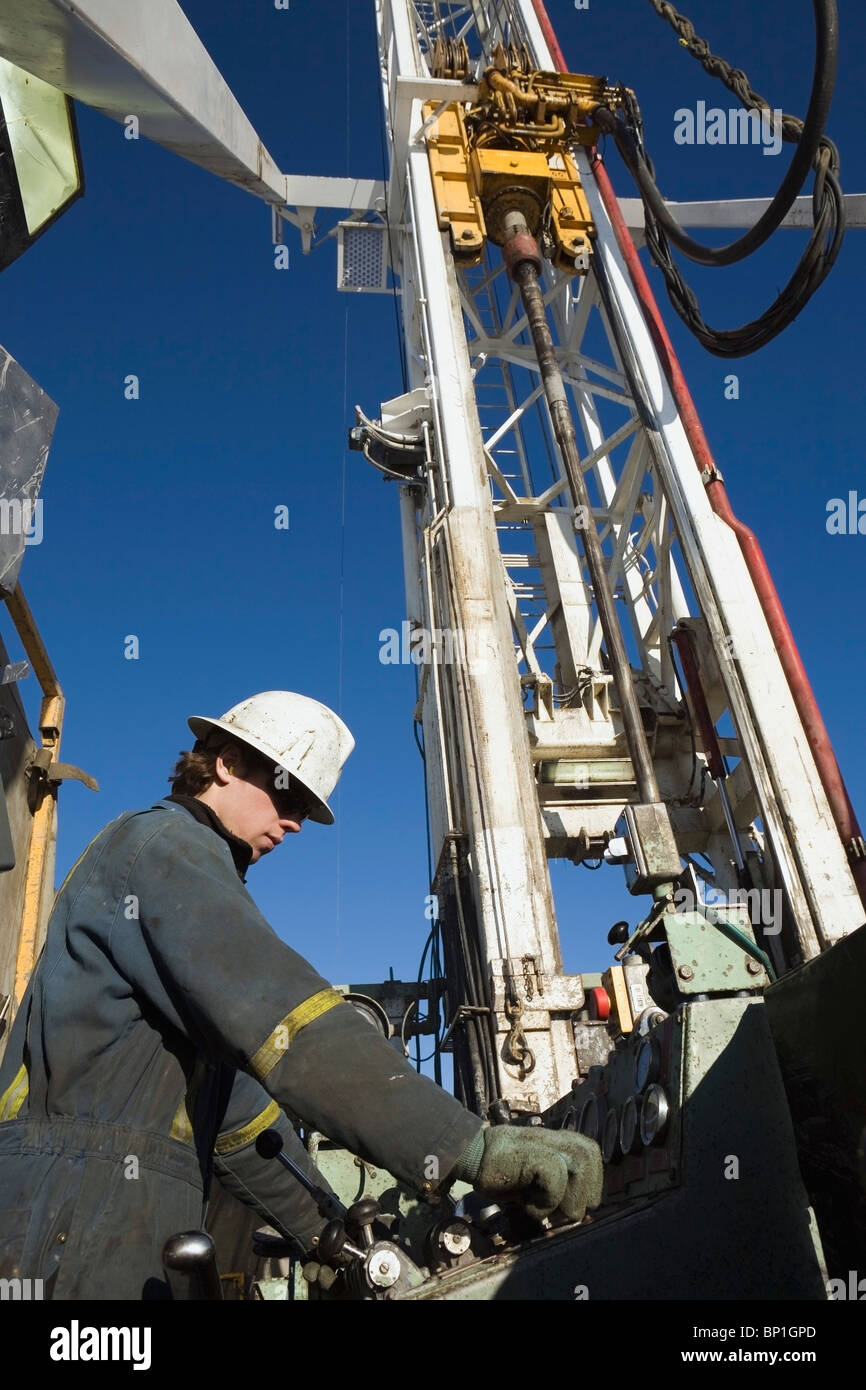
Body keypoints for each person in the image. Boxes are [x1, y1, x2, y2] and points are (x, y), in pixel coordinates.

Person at [0, 691, 601, 1299]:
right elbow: (287, 1018)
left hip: (122, 1212)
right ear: (227, 764)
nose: (293, 822)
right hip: (73, 1211)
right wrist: (469, 1146)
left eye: (306, 811)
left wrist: (326, 1231)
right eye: (288, 794)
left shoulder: (186, 876)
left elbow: (240, 1118)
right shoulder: (163, 848)